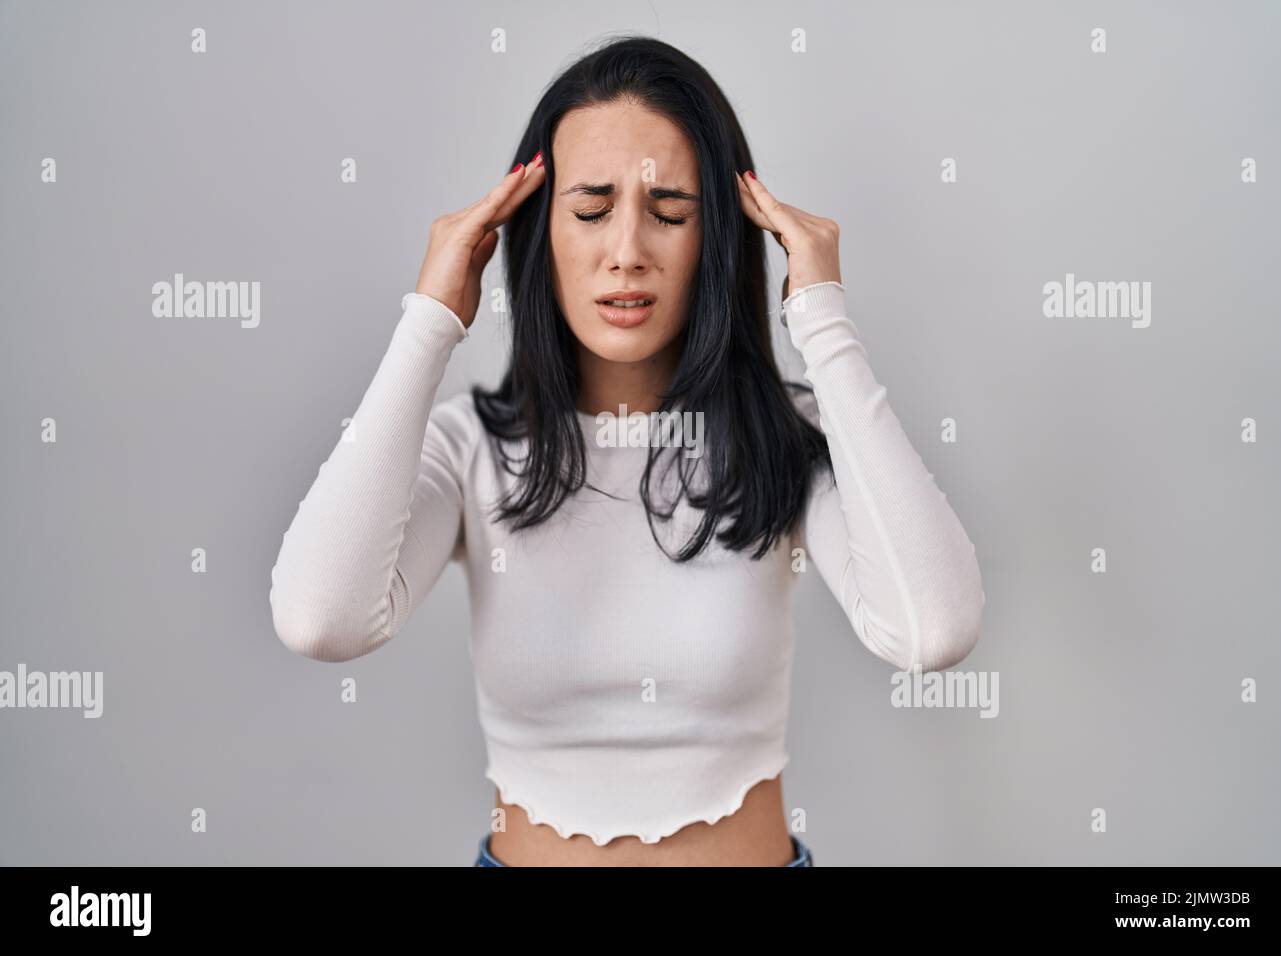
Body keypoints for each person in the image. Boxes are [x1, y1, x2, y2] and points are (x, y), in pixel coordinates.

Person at [269, 35, 985, 867]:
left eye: (671, 212)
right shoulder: (473, 447)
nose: (627, 253)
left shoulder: (782, 436)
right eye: (590, 209)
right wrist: (430, 319)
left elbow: (935, 631)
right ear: (538, 231)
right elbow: (320, 620)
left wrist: (820, 315)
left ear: (715, 239)